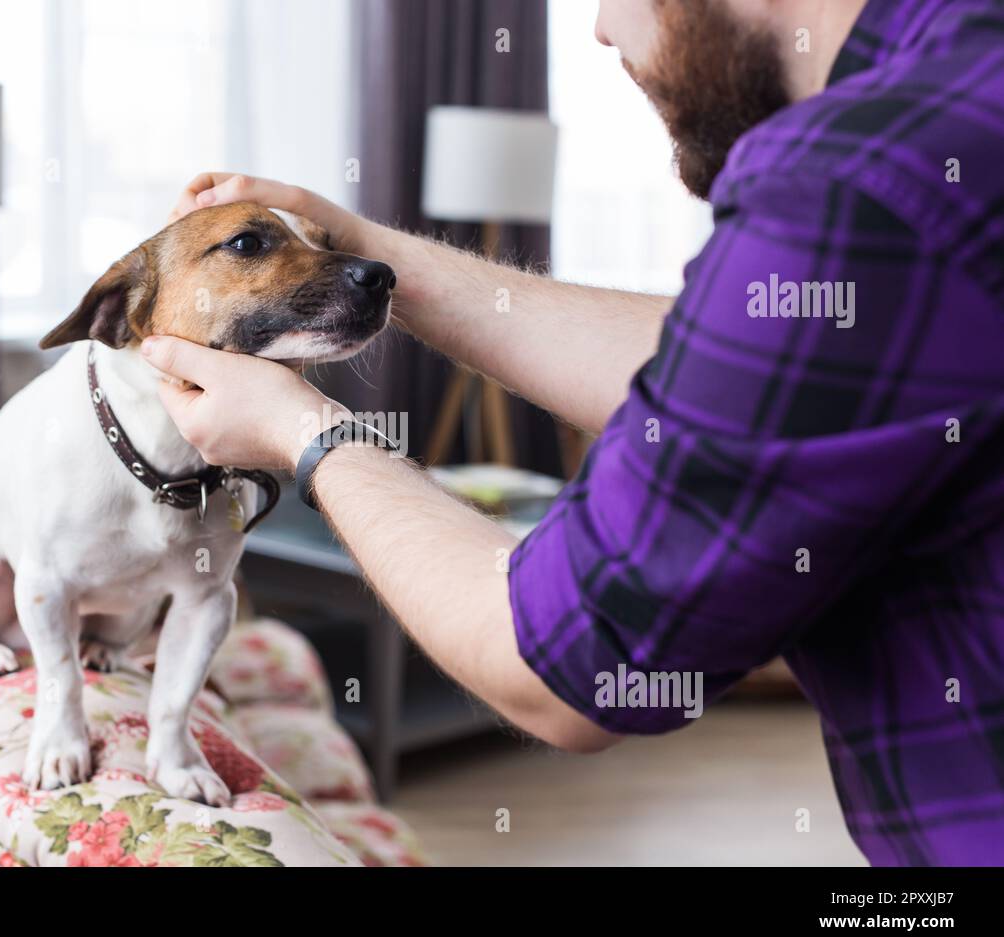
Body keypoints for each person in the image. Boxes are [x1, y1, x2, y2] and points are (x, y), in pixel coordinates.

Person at [141, 0, 1004, 865]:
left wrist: (307, 430)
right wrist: (364, 247)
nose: (598, 27)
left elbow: (567, 655)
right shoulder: (958, 92)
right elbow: (765, 360)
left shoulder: (866, 170)